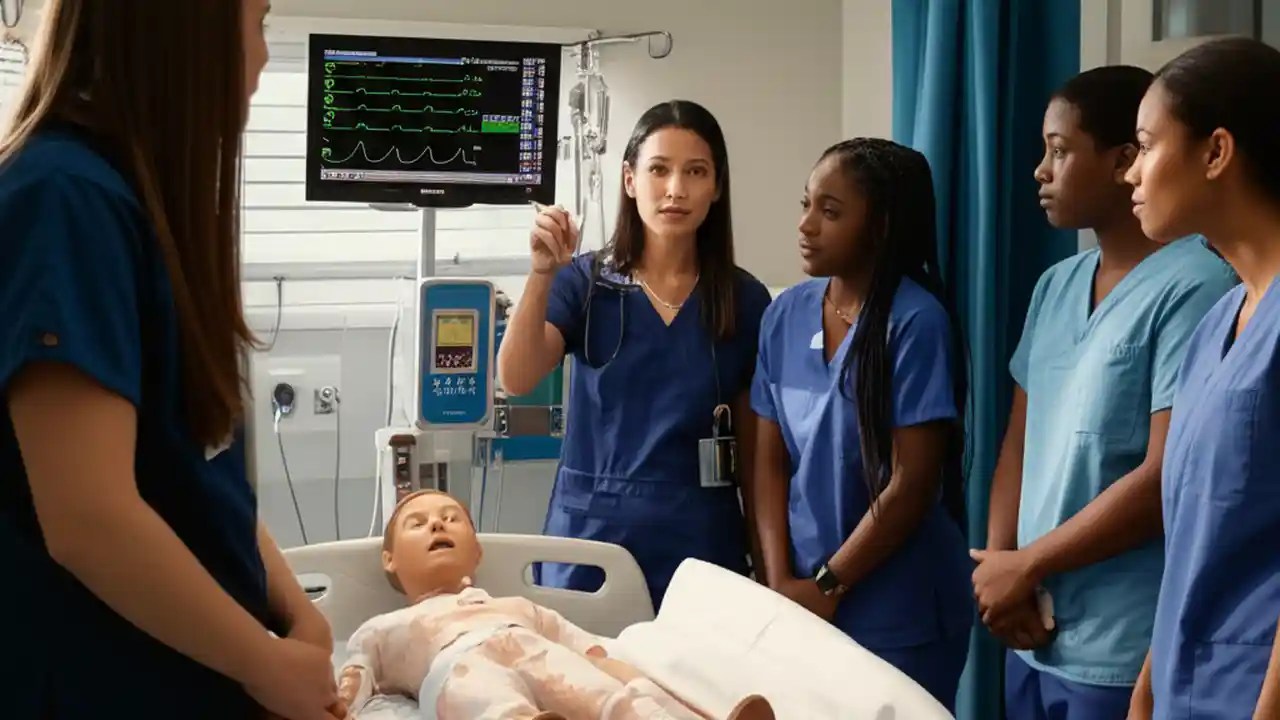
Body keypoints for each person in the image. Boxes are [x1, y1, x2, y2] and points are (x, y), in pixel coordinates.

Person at [0, 2, 343, 718]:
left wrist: (292, 616)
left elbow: (196, 468)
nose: (262, 58)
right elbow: (89, 518)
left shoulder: (138, 201)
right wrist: (265, 663)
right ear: (189, 32)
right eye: (258, 25)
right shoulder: (65, 197)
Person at [969, 67, 1237, 719]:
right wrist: (1001, 568)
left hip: (1119, 648)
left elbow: (1162, 478)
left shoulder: (1197, 285)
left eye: (1060, 151)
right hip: (1028, 631)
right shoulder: (1057, 284)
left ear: (1125, 161)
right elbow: (1019, 444)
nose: (1040, 169)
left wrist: (1028, 565)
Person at [497, 100, 773, 611]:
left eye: (696, 172)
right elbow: (516, 377)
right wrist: (541, 275)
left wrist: (768, 569)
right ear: (629, 179)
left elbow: (759, 456)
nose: (676, 189)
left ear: (717, 186)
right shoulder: (584, 282)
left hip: (701, 545)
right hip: (590, 540)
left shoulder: (744, 301)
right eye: (659, 169)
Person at [748, 138, 972, 711]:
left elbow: (913, 482)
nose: (805, 225)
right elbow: (768, 460)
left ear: (880, 225)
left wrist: (829, 584)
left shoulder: (916, 323)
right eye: (806, 205)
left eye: (830, 212)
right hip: (800, 595)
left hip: (897, 607)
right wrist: (781, 586)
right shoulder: (785, 314)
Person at [1122, 36, 1280, 720]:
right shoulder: (1217, 322)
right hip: (1183, 688)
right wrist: (1150, 688)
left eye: (1146, 145)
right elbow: (1193, 535)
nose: (1131, 173)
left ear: (1216, 152)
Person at [337, 489, 776, 720]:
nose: (437, 523)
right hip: (454, 668)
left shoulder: (519, 608)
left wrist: (648, 686)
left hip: (526, 644)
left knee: (608, 699)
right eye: (418, 523)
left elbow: (596, 655)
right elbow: (349, 689)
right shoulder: (383, 628)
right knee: (486, 702)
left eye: (452, 518)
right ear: (389, 560)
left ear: (477, 553)